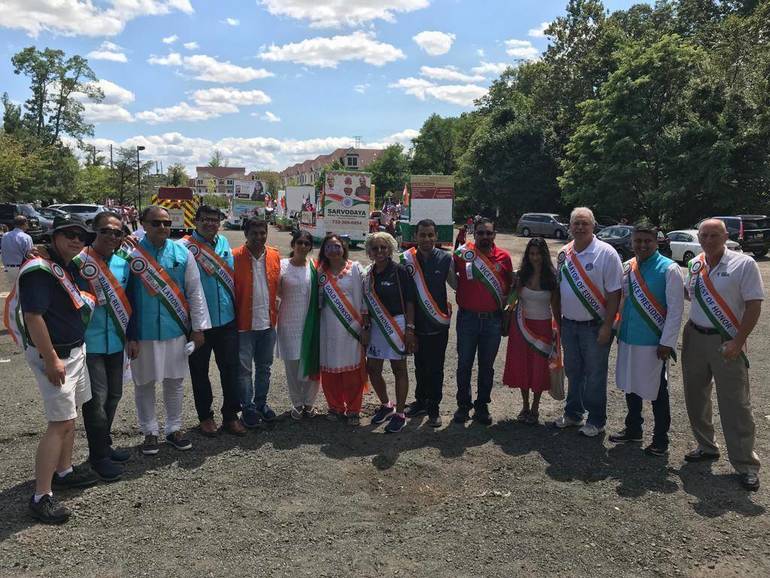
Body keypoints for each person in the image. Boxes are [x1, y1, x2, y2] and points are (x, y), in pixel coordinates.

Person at [6, 214, 99, 524]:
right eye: (69, 234)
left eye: (81, 236)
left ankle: (64, 469)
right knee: (60, 423)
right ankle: (41, 495)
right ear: (54, 235)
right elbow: (34, 317)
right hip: (56, 356)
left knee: (71, 415)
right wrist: (51, 359)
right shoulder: (39, 271)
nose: (76, 240)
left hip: (74, 351)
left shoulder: (63, 264)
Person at [681, 219, 764, 491]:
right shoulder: (696, 265)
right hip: (695, 337)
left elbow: (753, 306)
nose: (707, 239)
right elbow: (687, 295)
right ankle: (706, 446)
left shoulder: (744, 264)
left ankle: (745, 464)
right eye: (703, 235)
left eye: (714, 235)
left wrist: (739, 341)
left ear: (726, 236)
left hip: (726, 341)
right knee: (696, 396)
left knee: (735, 403)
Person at [125, 206, 211, 455]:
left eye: (166, 223)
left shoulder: (182, 252)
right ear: (142, 223)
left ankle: (174, 428)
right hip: (143, 332)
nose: (162, 227)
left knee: (175, 382)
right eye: (155, 223)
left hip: (175, 330)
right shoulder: (131, 253)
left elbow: (194, 291)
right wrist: (129, 335)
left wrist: (198, 328)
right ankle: (150, 431)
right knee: (144, 383)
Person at [608, 225, 684, 455]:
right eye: (638, 241)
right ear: (632, 242)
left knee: (657, 390)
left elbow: (676, 310)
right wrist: (617, 330)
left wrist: (667, 342)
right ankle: (633, 430)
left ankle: (661, 440)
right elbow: (623, 301)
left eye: (647, 241)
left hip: (653, 341)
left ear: (656, 242)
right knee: (631, 385)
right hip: (629, 337)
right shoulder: (628, 266)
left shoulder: (669, 269)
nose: (642, 245)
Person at [76, 212, 138, 481]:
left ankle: (104, 445)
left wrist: (133, 336)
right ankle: (98, 457)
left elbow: (132, 303)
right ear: (94, 231)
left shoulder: (125, 263)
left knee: (114, 395)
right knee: (97, 400)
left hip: (117, 341)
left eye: (117, 232)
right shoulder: (78, 262)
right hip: (89, 343)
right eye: (106, 231)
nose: (112, 236)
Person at [554, 207, 623, 437]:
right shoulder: (564, 253)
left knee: (595, 374)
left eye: (585, 223)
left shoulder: (607, 253)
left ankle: (596, 419)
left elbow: (615, 293)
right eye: (576, 223)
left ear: (593, 226)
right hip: (569, 324)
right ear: (570, 226)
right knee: (574, 371)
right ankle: (573, 413)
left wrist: (607, 325)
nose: (580, 227)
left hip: (595, 326)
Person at [181, 205, 246, 437]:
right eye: (205, 219)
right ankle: (205, 417)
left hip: (227, 319)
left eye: (214, 219)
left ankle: (231, 415)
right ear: (196, 220)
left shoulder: (224, 243)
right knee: (199, 371)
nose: (210, 223)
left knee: (230, 369)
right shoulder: (184, 247)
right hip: (199, 323)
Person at [452, 218, 513, 425]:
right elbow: (451, 276)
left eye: (488, 233)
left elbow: (510, 287)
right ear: (474, 234)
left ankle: (482, 405)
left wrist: (507, 312)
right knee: (464, 364)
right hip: (467, 318)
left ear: (494, 234)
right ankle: (463, 405)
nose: (485, 237)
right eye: (481, 233)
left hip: (492, 321)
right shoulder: (463, 254)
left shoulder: (504, 257)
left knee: (487, 365)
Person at [402, 219, 456, 427]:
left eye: (430, 235)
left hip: (437, 325)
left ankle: (434, 407)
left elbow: (457, 285)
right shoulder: (406, 260)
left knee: (436, 368)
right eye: (422, 235)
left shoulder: (445, 259)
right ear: (415, 236)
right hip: (416, 323)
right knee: (419, 364)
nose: (426, 239)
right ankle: (421, 401)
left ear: (436, 236)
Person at [502, 238, 561, 425]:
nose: (535, 258)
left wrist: (560, 330)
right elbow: (512, 301)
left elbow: (556, 307)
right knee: (523, 366)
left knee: (539, 368)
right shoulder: (521, 275)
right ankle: (525, 406)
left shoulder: (552, 277)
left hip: (543, 327)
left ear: (544, 255)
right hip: (521, 326)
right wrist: (513, 291)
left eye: (538, 254)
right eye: (531, 254)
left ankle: (535, 407)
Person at [364, 232, 417, 433]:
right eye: (375, 248)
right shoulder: (368, 273)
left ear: (390, 249)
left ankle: (400, 413)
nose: (379, 251)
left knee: (399, 369)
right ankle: (387, 405)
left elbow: (410, 301)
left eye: (383, 247)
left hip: (397, 324)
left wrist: (410, 329)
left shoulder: (400, 271)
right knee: (373, 369)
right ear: (369, 251)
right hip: (377, 326)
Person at [233, 216, 281, 428]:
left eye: (263, 233)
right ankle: (247, 408)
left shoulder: (274, 256)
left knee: (265, 367)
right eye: (254, 233)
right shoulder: (234, 257)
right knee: (244, 371)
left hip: (268, 324)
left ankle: (261, 403)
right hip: (244, 324)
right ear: (246, 234)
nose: (259, 237)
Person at [317, 233, 369, 425]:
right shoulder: (319, 272)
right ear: (324, 250)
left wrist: (365, 326)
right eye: (329, 247)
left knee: (352, 372)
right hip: (327, 330)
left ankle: (354, 409)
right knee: (330, 372)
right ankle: (335, 406)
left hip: (351, 329)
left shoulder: (355, 269)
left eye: (337, 246)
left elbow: (365, 298)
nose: (333, 250)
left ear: (343, 248)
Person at [277, 230, 320, 419]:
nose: (303, 246)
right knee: (293, 366)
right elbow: (275, 293)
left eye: (307, 243)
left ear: (311, 247)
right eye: (299, 242)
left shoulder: (315, 267)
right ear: (293, 244)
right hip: (289, 322)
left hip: (310, 322)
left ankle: (309, 403)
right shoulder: (281, 266)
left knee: (311, 363)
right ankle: (297, 402)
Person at [2, 215, 33, 284]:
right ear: (24, 224)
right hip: (22, 268)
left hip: (8, 268)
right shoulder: (26, 237)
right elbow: (29, 254)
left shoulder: (5, 236)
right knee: (23, 291)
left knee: (13, 291)